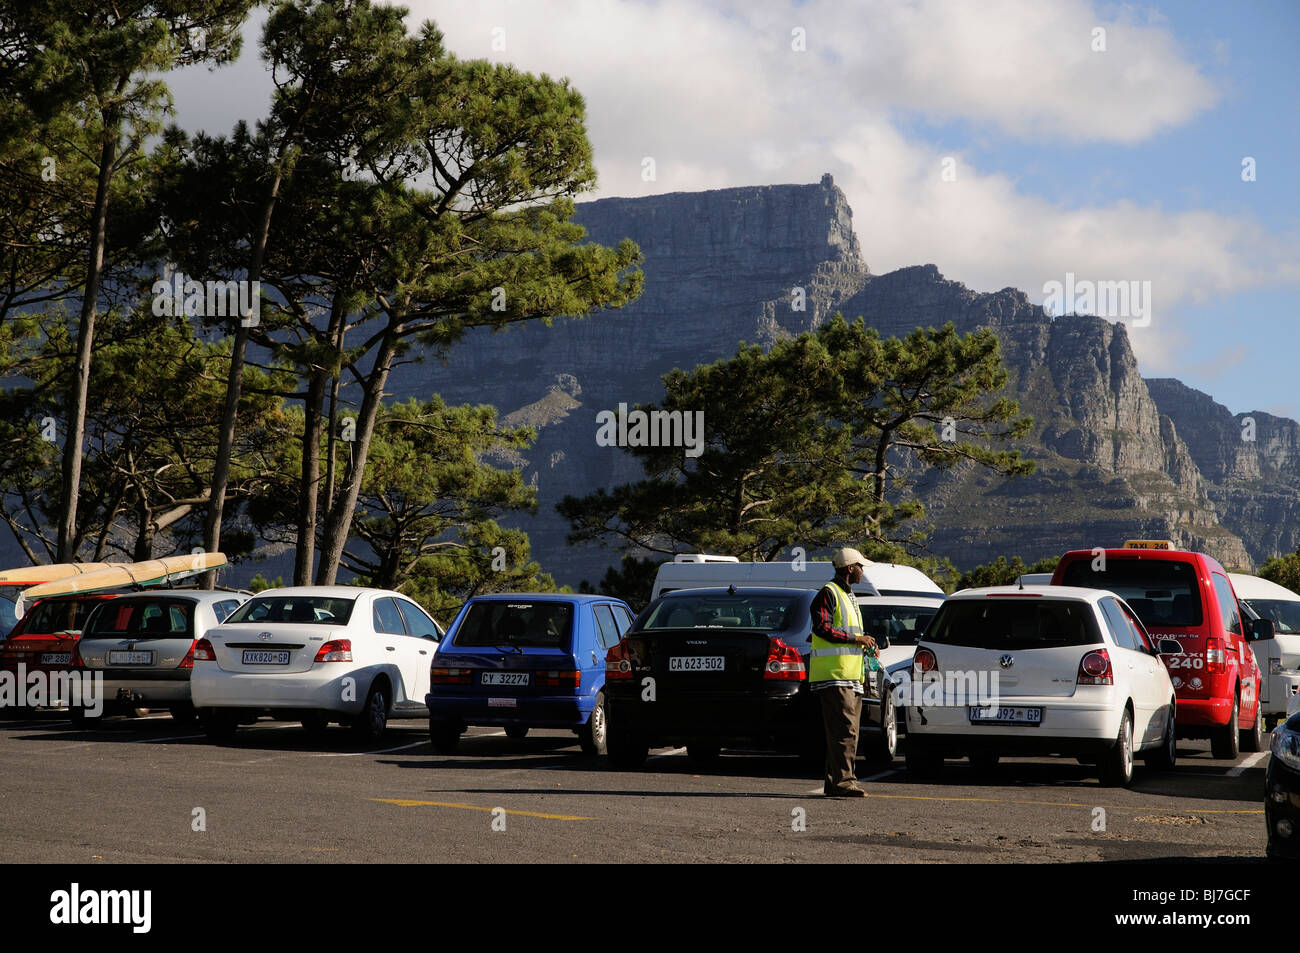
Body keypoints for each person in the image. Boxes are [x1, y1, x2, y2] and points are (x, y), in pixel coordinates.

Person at [809, 547, 877, 797]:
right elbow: (822, 628)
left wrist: (866, 644)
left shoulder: (847, 594)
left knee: (844, 731)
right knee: (845, 730)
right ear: (850, 568)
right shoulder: (829, 593)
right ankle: (844, 782)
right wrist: (856, 639)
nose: (862, 571)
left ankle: (834, 782)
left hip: (849, 676)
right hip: (835, 676)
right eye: (860, 567)